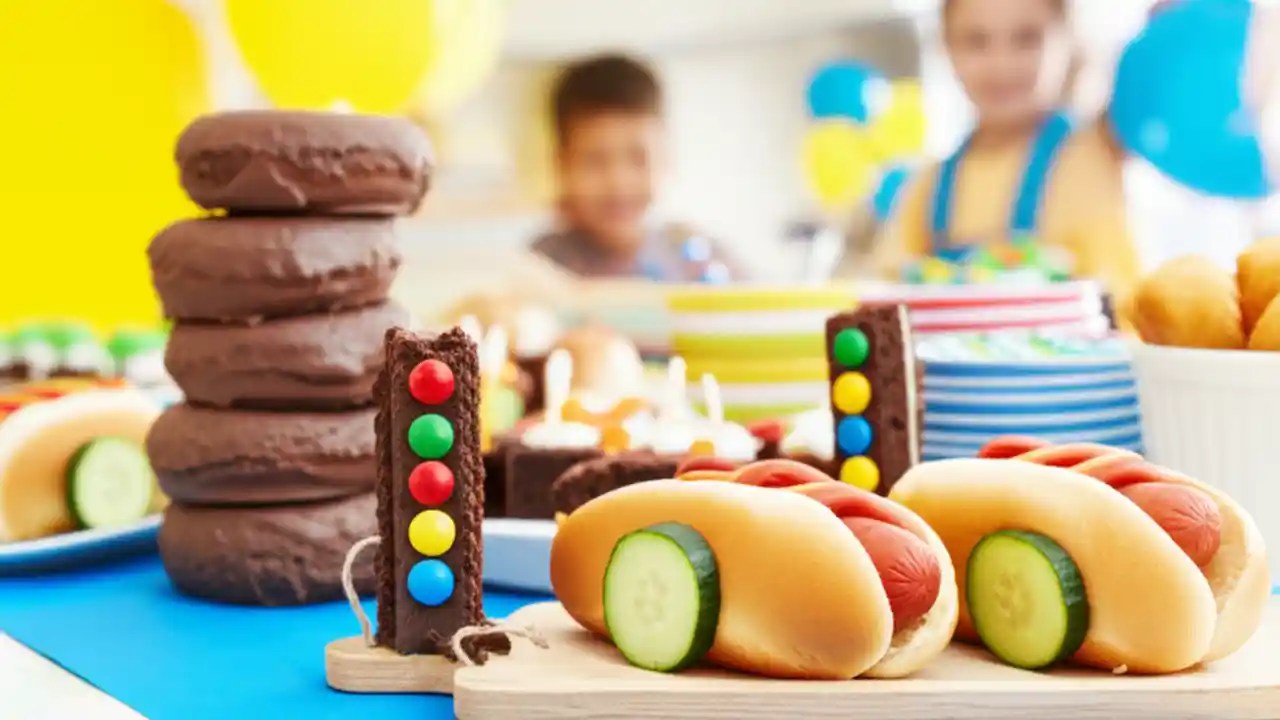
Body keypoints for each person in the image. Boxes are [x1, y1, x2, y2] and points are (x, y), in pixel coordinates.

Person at [876, 0, 1139, 307]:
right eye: (976, 41)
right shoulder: (926, 186)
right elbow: (885, 294)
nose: (1001, 64)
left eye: (1026, 38)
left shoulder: (1102, 146)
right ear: (946, 47)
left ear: (1067, 39)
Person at [532, 54, 744, 283]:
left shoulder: (699, 257)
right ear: (561, 165)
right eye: (594, 161)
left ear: (665, 157)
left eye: (638, 158)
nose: (618, 181)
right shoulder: (539, 265)